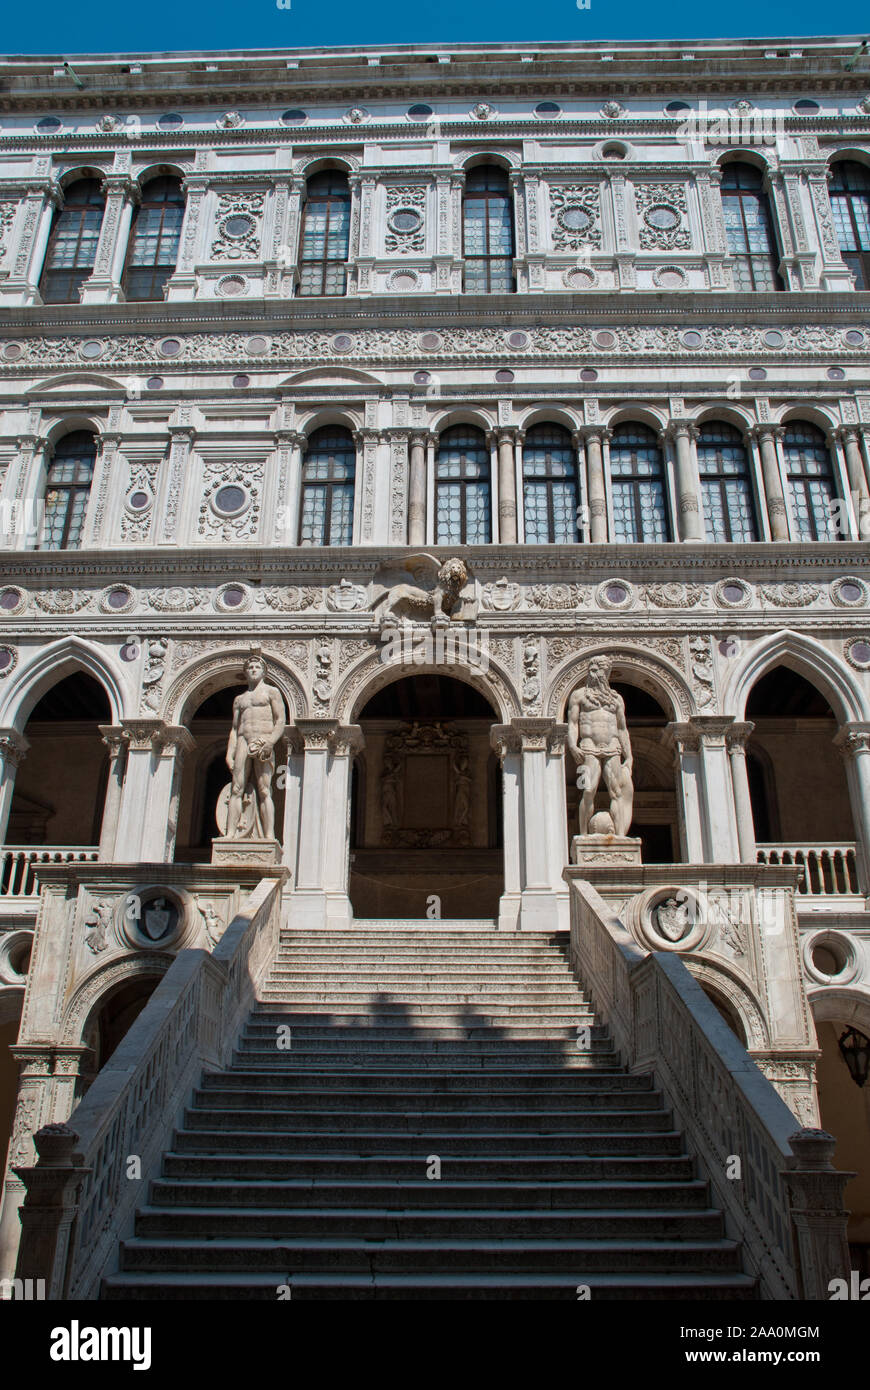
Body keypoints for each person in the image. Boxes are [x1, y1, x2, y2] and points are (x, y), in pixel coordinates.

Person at [567, 655, 634, 836]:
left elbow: (622, 729)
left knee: (617, 792)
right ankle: (583, 835)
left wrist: (629, 756)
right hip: (588, 749)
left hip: (613, 748)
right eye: (591, 669)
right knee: (588, 791)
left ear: (607, 673)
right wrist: (573, 745)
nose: (593, 673)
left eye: (598, 670)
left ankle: (620, 836)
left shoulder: (616, 699)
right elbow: (572, 724)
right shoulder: (579, 695)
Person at [225, 655, 286, 839]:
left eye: (256, 666)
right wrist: (229, 753)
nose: (253, 669)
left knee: (265, 789)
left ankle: (269, 836)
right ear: (245, 672)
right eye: (250, 667)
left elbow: (280, 720)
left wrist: (271, 742)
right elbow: (235, 729)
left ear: (263, 671)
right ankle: (230, 833)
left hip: (262, 740)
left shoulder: (272, 692)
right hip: (243, 740)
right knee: (236, 789)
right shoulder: (239, 699)